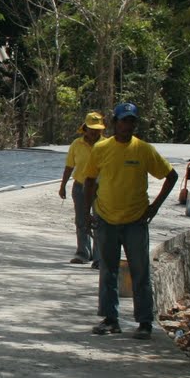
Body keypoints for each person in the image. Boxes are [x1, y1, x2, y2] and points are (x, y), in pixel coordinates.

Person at [83, 102, 176, 338]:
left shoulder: (143, 150)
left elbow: (171, 176)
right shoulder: (101, 149)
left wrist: (154, 207)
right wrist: (86, 212)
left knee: (140, 272)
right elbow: (90, 181)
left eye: (132, 121)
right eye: (124, 121)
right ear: (115, 123)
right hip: (106, 218)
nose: (127, 125)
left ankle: (144, 322)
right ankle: (110, 319)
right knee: (108, 271)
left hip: (135, 220)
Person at [58, 111, 106, 266]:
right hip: (80, 186)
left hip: (101, 188)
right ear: (85, 128)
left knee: (99, 221)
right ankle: (83, 253)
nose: (94, 132)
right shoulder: (76, 144)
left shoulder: (107, 145)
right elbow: (69, 166)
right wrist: (63, 185)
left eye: (97, 129)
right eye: (91, 129)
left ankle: (99, 257)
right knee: (81, 220)